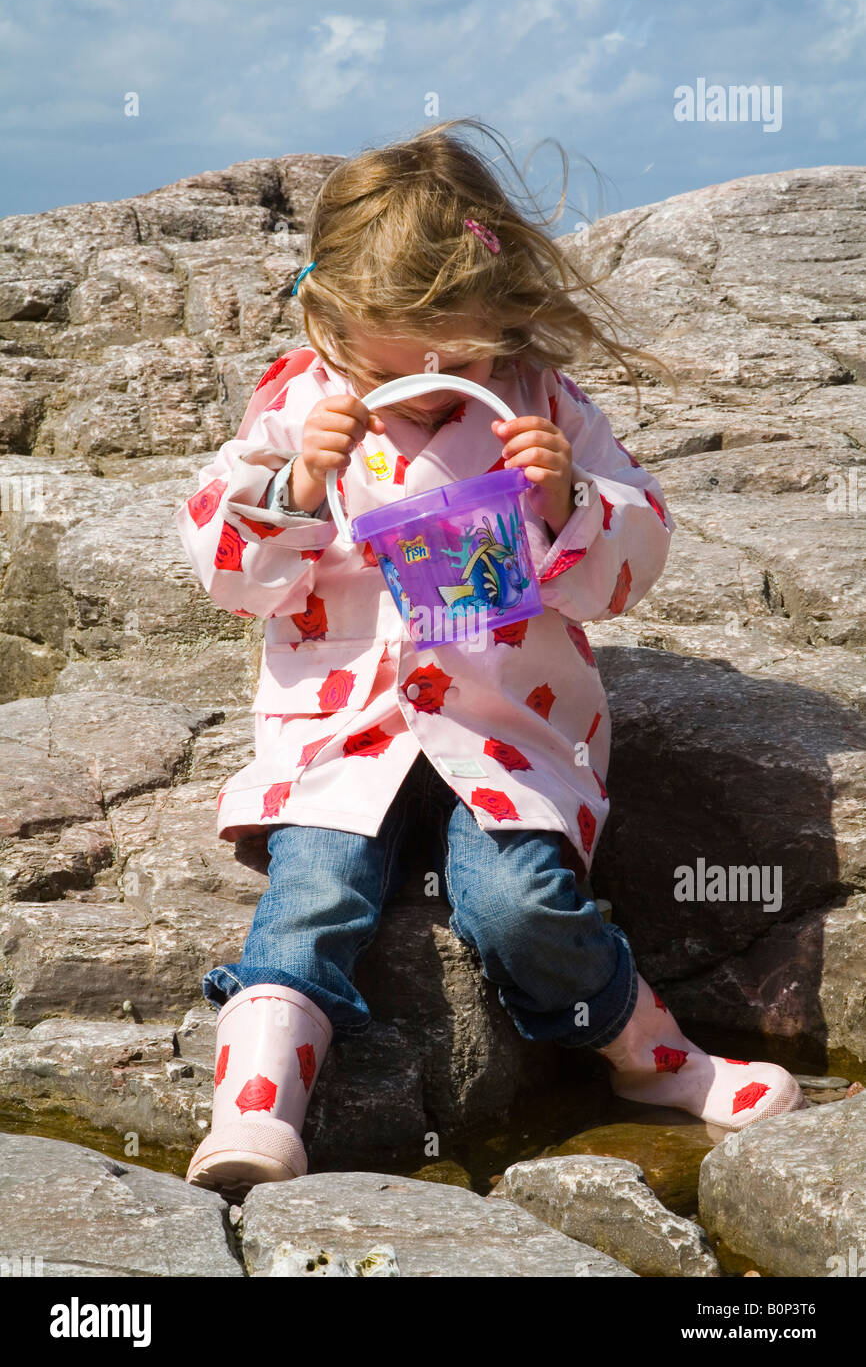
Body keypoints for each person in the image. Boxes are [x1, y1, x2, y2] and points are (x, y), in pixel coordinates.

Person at [175, 119, 806, 1200]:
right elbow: (223, 566)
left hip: (504, 729)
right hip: (343, 734)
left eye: (457, 360)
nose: (430, 389)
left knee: (518, 901)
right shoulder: (292, 402)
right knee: (312, 892)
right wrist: (286, 495)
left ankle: (645, 1052)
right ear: (330, 314)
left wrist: (566, 501)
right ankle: (256, 1099)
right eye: (397, 363)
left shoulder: (539, 403)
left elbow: (631, 554)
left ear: (502, 318)